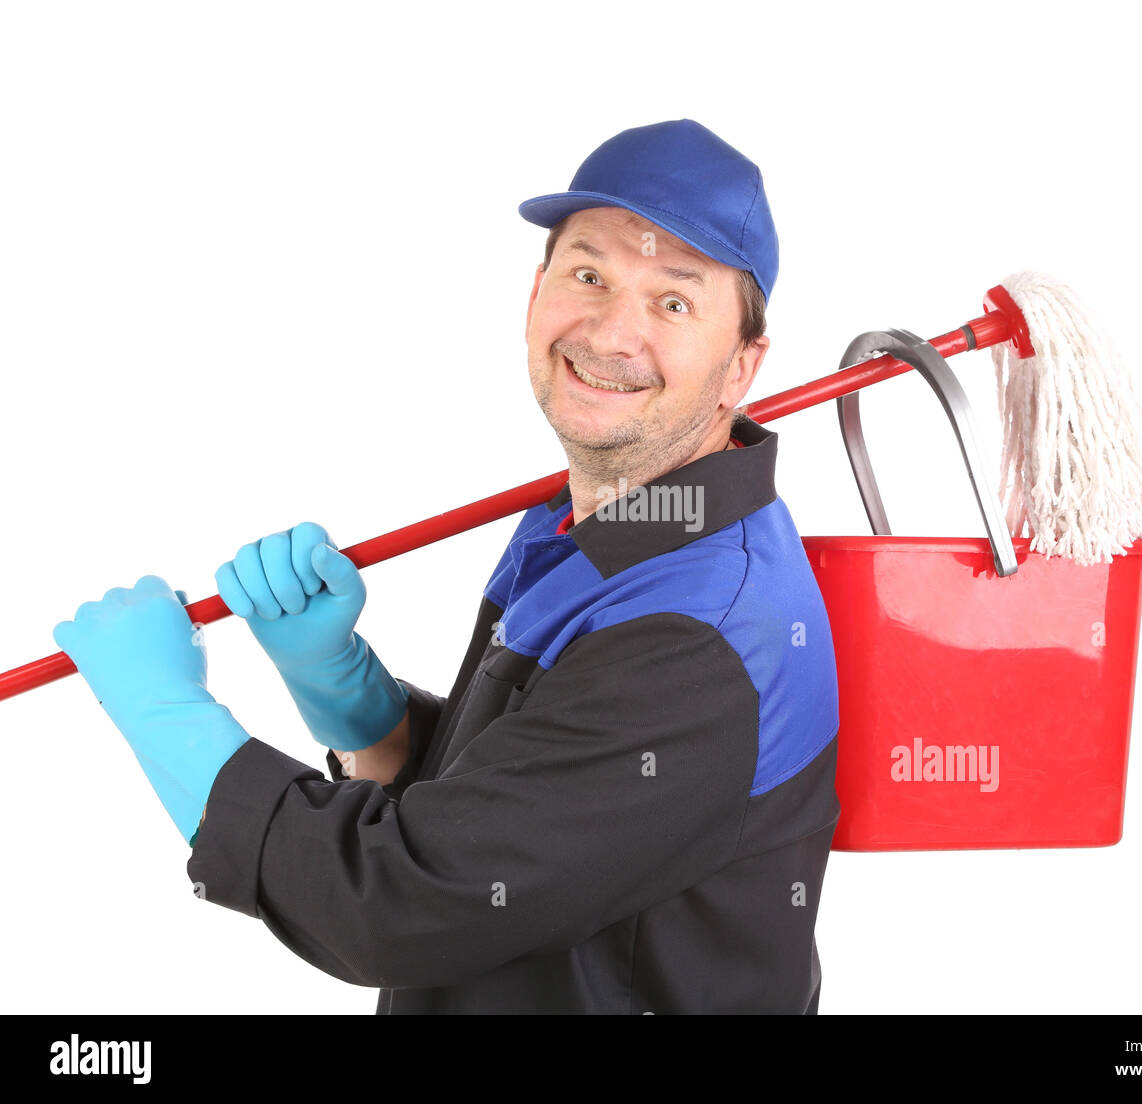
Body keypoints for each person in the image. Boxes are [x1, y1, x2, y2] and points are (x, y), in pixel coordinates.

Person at [52, 118, 841, 1014]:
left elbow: (403, 904)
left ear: (742, 366)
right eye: (589, 275)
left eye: (674, 302)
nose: (612, 332)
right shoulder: (589, 531)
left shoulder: (699, 636)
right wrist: (350, 695)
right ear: (536, 290)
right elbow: (504, 807)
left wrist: (168, 713)